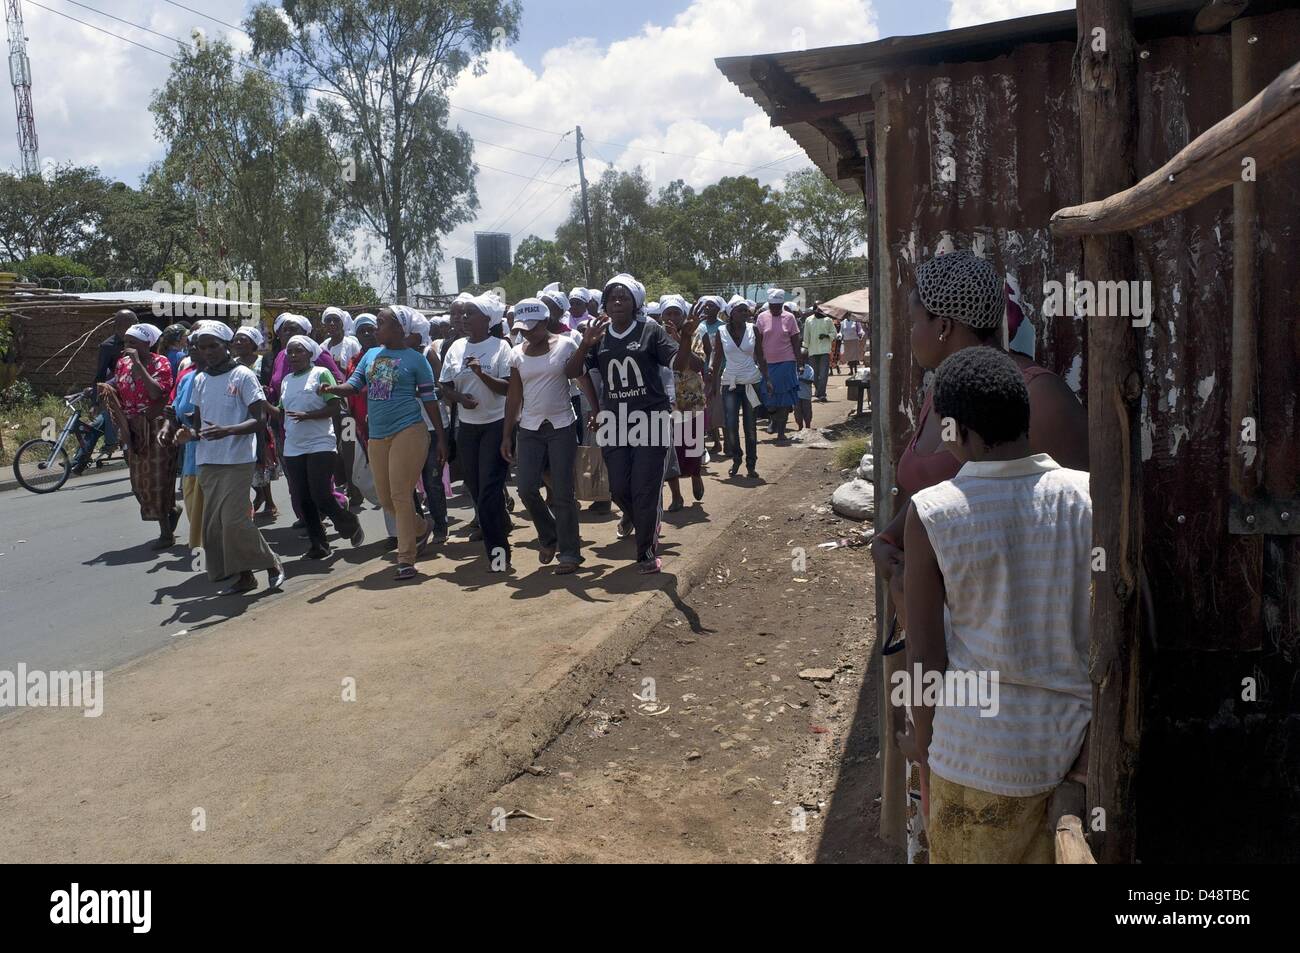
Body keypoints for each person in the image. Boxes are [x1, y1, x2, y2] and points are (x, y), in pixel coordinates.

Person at [868, 248, 1088, 862]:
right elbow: (929, 496)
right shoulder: (944, 394)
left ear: (942, 324)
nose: (908, 333)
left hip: (996, 702)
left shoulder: (1037, 399)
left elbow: (1060, 543)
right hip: (960, 691)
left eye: (912, 318)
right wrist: (892, 545)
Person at [566, 273, 699, 574]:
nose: (616, 302)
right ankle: (639, 519)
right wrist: (585, 345)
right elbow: (572, 371)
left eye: (623, 297)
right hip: (614, 420)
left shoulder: (650, 330)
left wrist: (687, 338)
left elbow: (678, 365)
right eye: (611, 297)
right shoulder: (597, 335)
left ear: (636, 302)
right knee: (618, 487)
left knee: (646, 486)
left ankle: (646, 552)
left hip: (650, 417)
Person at [322, 307, 447, 581]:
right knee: (386, 497)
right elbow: (353, 386)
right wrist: (333, 388)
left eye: (381, 323)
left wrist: (441, 438)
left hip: (409, 431)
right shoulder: (371, 356)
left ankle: (406, 559)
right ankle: (421, 526)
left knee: (401, 494)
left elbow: (429, 400)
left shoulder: (416, 360)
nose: (375, 328)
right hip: (378, 435)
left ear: (400, 328)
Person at [174, 320, 284, 594]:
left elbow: (260, 419)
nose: (208, 351)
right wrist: (188, 434)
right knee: (215, 525)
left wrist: (228, 431)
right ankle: (244, 575)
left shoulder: (243, 376)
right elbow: (199, 425)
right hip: (208, 460)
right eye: (203, 347)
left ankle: (271, 563)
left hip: (237, 459)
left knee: (234, 520)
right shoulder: (199, 379)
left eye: (214, 346)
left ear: (226, 347)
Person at [501, 298, 599, 574]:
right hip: (530, 428)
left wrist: (596, 409)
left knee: (562, 492)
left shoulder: (566, 345)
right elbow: (514, 396)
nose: (528, 333)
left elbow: (581, 377)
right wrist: (507, 434)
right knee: (526, 488)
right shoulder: (517, 353)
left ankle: (570, 554)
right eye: (523, 329)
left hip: (561, 426)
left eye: (532, 328)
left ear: (545, 322)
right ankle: (549, 535)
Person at [439, 294, 513, 569]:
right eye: (463, 314)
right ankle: (500, 521)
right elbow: (444, 386)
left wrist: (481, 374)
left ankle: (499, 554)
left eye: (471, 313)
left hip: (496, 423)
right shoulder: (456, 347)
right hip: (467, 427)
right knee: (475, 487)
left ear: (487, 319)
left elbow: (508, 388)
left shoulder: (501, 347)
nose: (464, 318)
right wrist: (460, 399)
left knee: (490, 490)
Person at [277, 335, 364, 559]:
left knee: (321, 494)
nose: (293, 355)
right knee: (303, 497)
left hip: (320, 442)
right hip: (293, 446)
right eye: (290, 352)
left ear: (309, 353)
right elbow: (281, 410)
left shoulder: (320, 374)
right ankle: (319, 544)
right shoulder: (286, 380)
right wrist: (259, 403)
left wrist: (308, 416)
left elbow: (335, 407)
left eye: (298, 351)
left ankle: (348, 523)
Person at [97, 322, 181, 549]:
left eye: (133, 343)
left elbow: (157, 392)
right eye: (126, 343)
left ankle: (166, 533)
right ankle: (172, 510)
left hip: (157, 426)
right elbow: (118, 387)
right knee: (138, 483)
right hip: (133, 429)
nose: (127, 347)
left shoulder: (160, 362)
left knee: (157, 481)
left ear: (147, 343)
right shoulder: (121, 364)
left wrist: (139, 366)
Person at [72, 309, 135, 474]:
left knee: (101, 425)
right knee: (97, 425)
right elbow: (99, 375)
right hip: (116, 391)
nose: (134, 325)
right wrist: (95, 402)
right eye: (130, 322)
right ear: (119, 325)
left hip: (138, 391)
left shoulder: (143, 340)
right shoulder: (108, 346)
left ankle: (83, 459)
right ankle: (79, 462)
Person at [660, 295, 707, 511]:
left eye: (676, 313)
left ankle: (696, 474)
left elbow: (698, 365)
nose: (672, 317)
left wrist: (680, 338)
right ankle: (676, 495)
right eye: (668, 313)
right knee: (670, 449)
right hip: (665, 400)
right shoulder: (656, 335)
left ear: (683, 314)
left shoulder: (695, 333)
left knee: (692, 445)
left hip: (691, 398)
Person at [710, 295, 764, 479]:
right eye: (740, 310)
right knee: (731, 424)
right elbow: (717, 360)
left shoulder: (753, 329)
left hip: (751, 381)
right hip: (730, 383)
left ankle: (751, 464)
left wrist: (769, 379)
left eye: (746, 310)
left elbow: (761, 356)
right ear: (730, 313)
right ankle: (736, 458)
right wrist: (713, 386)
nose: (744, 313)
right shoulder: (721, 332)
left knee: (750, 426)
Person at [232, 325, 280, 520]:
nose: (239, 343)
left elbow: (271, 387)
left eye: (244, 339)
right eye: (237, 339)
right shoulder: (231, 363)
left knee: (262, 459)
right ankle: (257, 494)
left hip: (260, 414)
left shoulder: (264, 361)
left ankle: (269, 501)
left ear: (253, 342)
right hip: (238, 414)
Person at [755, 289, 801, 441]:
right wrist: (758, 359)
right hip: (768, 364)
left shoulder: (789, 318)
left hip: (786, 362)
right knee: (768, 398)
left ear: (782, 304)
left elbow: (795, 340)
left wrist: (799, 360)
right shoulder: (761, 317)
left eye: (777, 305)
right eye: (772, 305)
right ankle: (773, 419)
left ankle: (781, 432)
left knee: (784, 400)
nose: (774, 308)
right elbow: (758, 341)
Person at [802, 308, 836, 401]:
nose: (818, 310)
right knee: (814, 374)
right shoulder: (809, 320)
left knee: (823, 373)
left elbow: (834, 333)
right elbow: (806, 336)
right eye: (816, 309)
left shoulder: (828, 320)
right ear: (814, 310)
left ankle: (822, 394)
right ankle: (819, 391)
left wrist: (826, 335)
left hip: (824, 351)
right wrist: (805, 349)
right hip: (812, 351)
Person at [322, 307, 362, 373]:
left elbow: (358, 369)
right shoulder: (322, 346)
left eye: (336, 320)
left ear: (342, 323)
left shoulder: (351, 344)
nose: (332, 323)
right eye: (328, 320)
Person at [795, 349, 815, 430]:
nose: (800, 360)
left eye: (803, 358)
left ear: (806, 359)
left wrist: (800, 378)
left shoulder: (809, 369)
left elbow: (810, 381)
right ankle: (800, 427)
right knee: (797, 413)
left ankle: (808, 426)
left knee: (807, 412)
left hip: (806, 395)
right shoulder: (793, 368)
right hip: (796, 395)